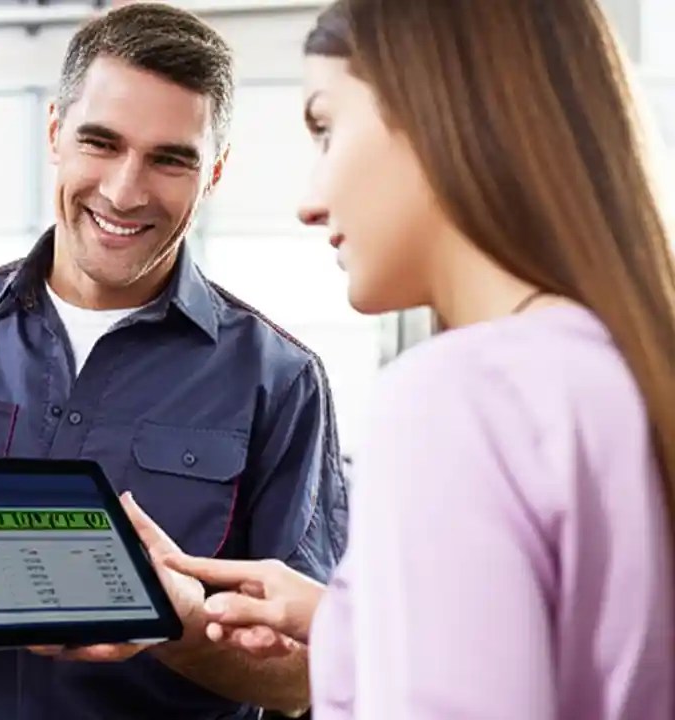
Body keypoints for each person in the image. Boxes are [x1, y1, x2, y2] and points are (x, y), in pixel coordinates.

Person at [0, 3, 349, 719]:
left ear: (215, 171)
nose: (125, 191)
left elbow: (307, 680)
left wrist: (167, 620)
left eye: (170, 158)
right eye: (100, 143)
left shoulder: (280, 381)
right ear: (55, 135)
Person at [148, 0, 675, 717]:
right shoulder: (618, 369)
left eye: (327, 129)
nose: (310, 200)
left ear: (439, 116)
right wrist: (354, 626)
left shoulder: (455, 396)